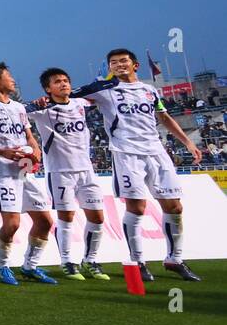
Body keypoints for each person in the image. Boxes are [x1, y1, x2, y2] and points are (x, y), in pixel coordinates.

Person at [68, 48, 203, 281]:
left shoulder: (150, 91)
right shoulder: (104, 88)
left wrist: (188, 142)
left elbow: (164, 117)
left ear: (135, 65)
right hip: (126, 154)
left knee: (175, 208)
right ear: (109, 68)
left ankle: (175, 259)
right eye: (113, 63)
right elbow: (68, 95)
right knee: (137, 207)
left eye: (123, 61)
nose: (119, 65)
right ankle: (138, 261)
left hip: (156, 153)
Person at [0, 63, 55, 286]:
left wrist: (35, 149)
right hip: (1, 169)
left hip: (25, 168)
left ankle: (30, 266)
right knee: (12, 224)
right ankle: (2, 265)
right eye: (9, 76)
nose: (13, 80)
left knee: (45, 220)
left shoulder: (19, 108)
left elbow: (28, 135)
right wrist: (1, 151)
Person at [25, 68, 113, 280]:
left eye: (66, 80)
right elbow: (20, 111)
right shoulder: (43, 109)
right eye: (57, 82)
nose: (63, 84)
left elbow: (98, 90)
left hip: (86, 170)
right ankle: (67, 262)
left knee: (98, 217)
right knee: (66, 217)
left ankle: (90, 260)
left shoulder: (80, 103)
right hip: (60, 172)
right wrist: (35, 103)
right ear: (48, 88)